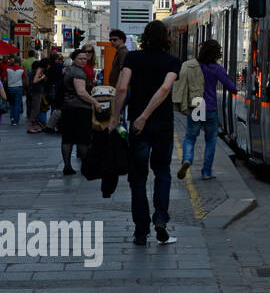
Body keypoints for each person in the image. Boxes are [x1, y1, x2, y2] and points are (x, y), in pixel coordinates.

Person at [111, 20, 182, 246]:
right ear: (165, 38)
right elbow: (164, 89)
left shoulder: (133, 58)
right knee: (162, 172)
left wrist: (116, 118)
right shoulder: (172, 61)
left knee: (138, 178)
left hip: (137, 126)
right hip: (163, 124)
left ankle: (140, 232)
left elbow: (122, 88)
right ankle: (160, 220)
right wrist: (148, 115)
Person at [176, 39, 236, 181]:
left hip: (196, 105)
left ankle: (187, 159)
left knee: (190, 137)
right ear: (216, 54)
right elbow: (232, 88)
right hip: (210, 108)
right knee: (210, 140)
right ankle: (206, 172)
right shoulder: (217, 69)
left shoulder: (193, 67)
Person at [59, 48, 96, 175]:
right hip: (80, 109)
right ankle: (85, 167)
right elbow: (81, 92)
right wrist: (95, 103)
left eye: (85, 58)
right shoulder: (78, 73)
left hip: (67, 107)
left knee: (67, 139)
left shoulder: (68, 70)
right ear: (74, 59)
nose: (83, 61)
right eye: (80, 59)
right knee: (83, 139)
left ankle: (67, 166)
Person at [26, 56, 48, 133]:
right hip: (36, 92)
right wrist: (42, 78)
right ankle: (30, 127)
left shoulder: (39, 69)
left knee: (37, 109)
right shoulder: (39, 69)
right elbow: (35, 81)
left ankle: (34, 126)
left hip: (37, 91)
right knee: (35, 109)